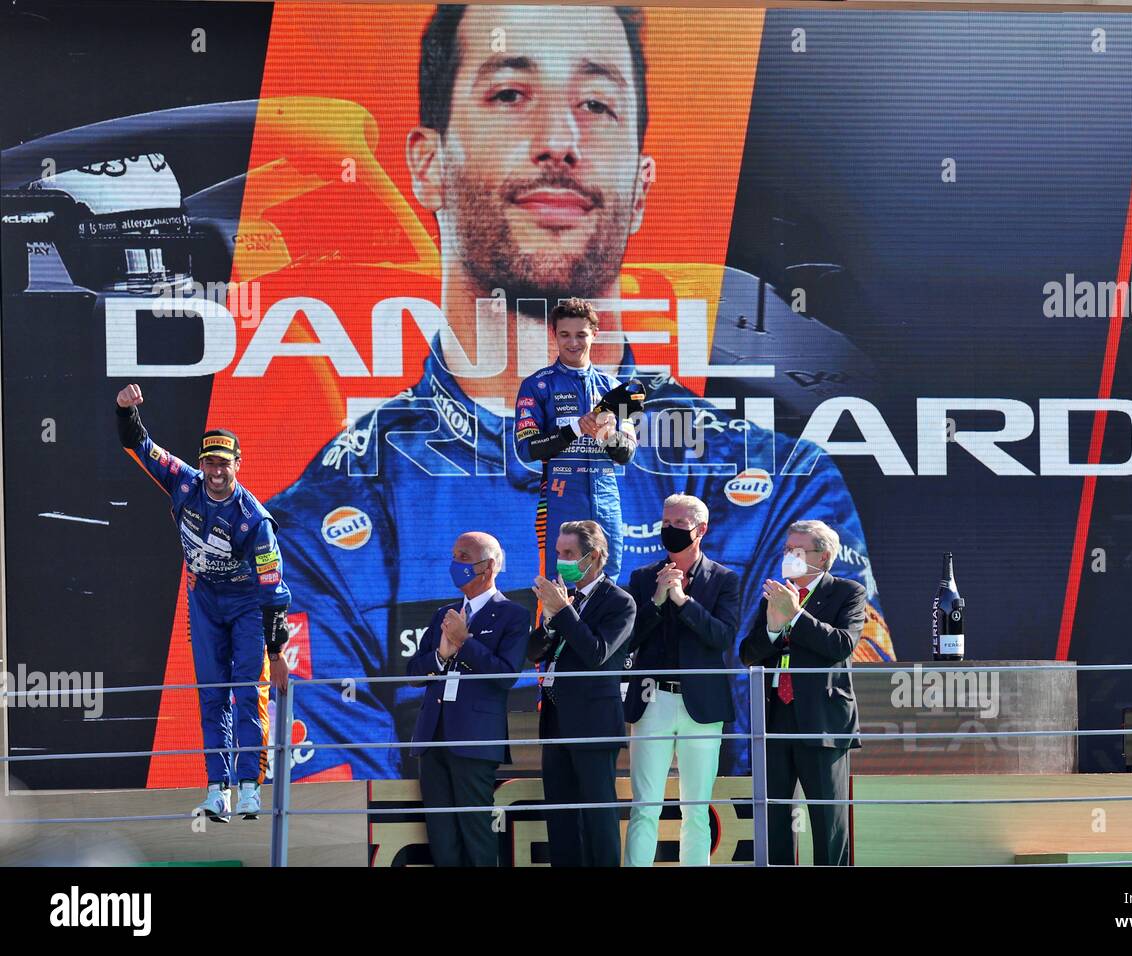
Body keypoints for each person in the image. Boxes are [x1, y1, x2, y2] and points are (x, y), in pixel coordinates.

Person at [265, 3, 893, 784]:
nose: (560, 142)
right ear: (426, 164)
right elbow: (346, 817)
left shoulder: (782, 486)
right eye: (510, 95)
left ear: (639, 182)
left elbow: (809, 734)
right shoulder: (318, 523)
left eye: (595, 104)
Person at [114, 383, 292, 821]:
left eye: (224, 464)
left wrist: (278, 652)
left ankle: (250, 788)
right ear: (200, 464)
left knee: (248, 693)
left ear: (238, 465)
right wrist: (125, 412)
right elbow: (140, 446)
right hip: (206, 602)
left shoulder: (254, 520)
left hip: (249, 603)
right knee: (211, 694)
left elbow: (273, 590)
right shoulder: (183, 483)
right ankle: (218, 790)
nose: (216, 472)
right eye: (210, 462)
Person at [622, 493, 738, 867]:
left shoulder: (724, 579)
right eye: (665, 523)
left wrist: (683, 602)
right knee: (644, 806)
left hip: (701, 705)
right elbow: (630, 640)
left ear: (701, 530)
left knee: (697, 808)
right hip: (652, 700)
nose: (668, 530)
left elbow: (722, 637)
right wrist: (657, 599)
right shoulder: (643, 578)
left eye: (678, 524)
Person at [740, 520, 863, 866]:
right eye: (786, 549)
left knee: (827, 820)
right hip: (775, 718)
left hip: (822, 722)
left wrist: (795, 615)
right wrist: (772, 627)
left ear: (822, 557)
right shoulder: (778, 592)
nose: (788, 556)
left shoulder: (847, 592)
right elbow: (749, 653)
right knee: (775, 818)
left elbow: (841, 645)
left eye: (796, 550)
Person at [408, 532, 530, 866]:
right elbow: (415, 671)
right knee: (442, 835)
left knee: (475, 832)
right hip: (433, 737)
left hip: (475, 739)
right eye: (454, 556)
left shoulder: (513, 615)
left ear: (488, 566)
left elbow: (505, 676)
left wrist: (465, 642)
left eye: (463, 557)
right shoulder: (443, 613)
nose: (454, 564)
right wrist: (441, 654)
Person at [526, 520, 634, 866]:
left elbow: (597, 653)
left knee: (597, 814)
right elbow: (535, 653)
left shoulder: (619, 602)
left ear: (595, 556)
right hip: (556, 718)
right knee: (560, 814)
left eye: (569, 554)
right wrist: (547, 620)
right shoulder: (563, 598)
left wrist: (564, 612)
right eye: (558, 553)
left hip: (593, 723)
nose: (561, 561)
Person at [516, 298, 638, 580]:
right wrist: (575, 429)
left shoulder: (616, 389)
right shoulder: (536, 385)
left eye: (581, 335)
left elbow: (628, 454)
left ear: (594, 334)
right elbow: (526, 449)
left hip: (606, 500)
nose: (573, 343)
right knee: (559, 587)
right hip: (560, 502)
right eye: (565, 335)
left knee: (608, 585)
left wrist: (607, 435)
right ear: (554, 335)